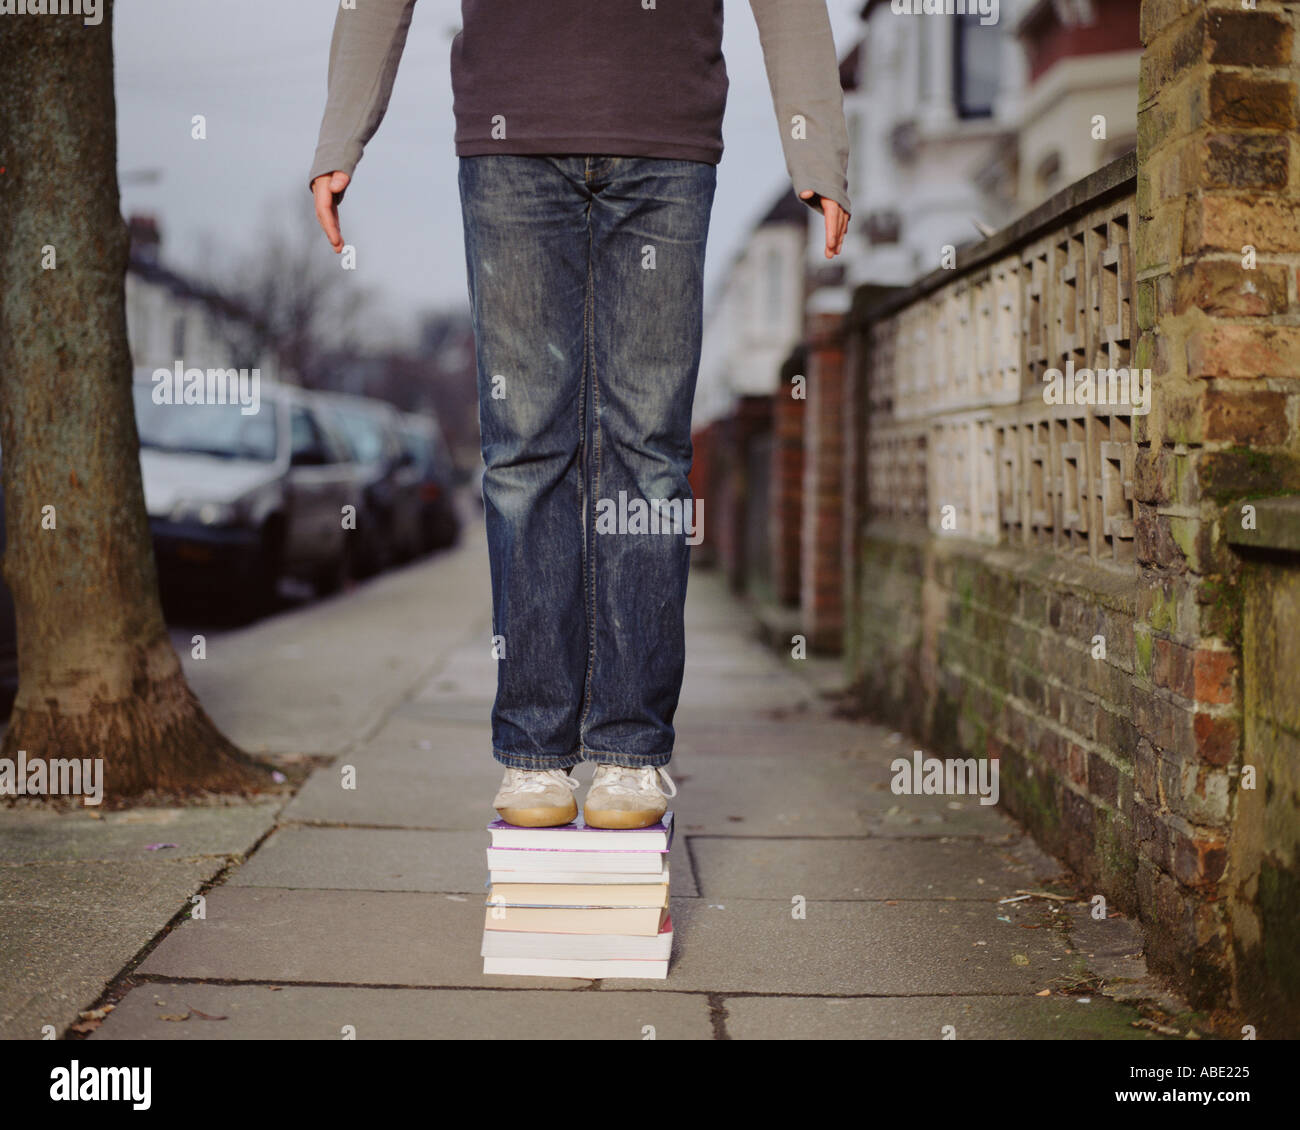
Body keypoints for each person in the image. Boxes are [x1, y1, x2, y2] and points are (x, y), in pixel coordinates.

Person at [309, 0, 850, 830]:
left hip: (666, 139)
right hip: (511, 137)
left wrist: (815, 146)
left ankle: (632, 753)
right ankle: (534, 754)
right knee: (524, 452)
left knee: (651, 456)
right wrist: (342, 135)